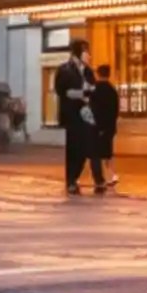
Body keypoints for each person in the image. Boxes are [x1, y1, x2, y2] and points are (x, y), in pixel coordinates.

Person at [55, 40, 98, 194]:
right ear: (77, 52)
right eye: (85, 50)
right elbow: (63, 91)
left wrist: (90, 93)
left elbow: (94, 88)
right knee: (73, 148)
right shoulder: (64, 70)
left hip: (86, 114)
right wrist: (82, 93)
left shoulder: (88, 71)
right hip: (72, 114)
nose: (88, 54)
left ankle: (77, 176)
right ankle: (71, 180)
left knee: (86, 147)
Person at [89, 65, 121, 188]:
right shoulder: (112, 91)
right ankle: (112, 174)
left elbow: (92, 109)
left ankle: (100, 179)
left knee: (95, 153)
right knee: (108, 151)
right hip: (110, 126)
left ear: (98, 74)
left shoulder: (95, 90)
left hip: (96, 127)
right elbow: (115, 111)